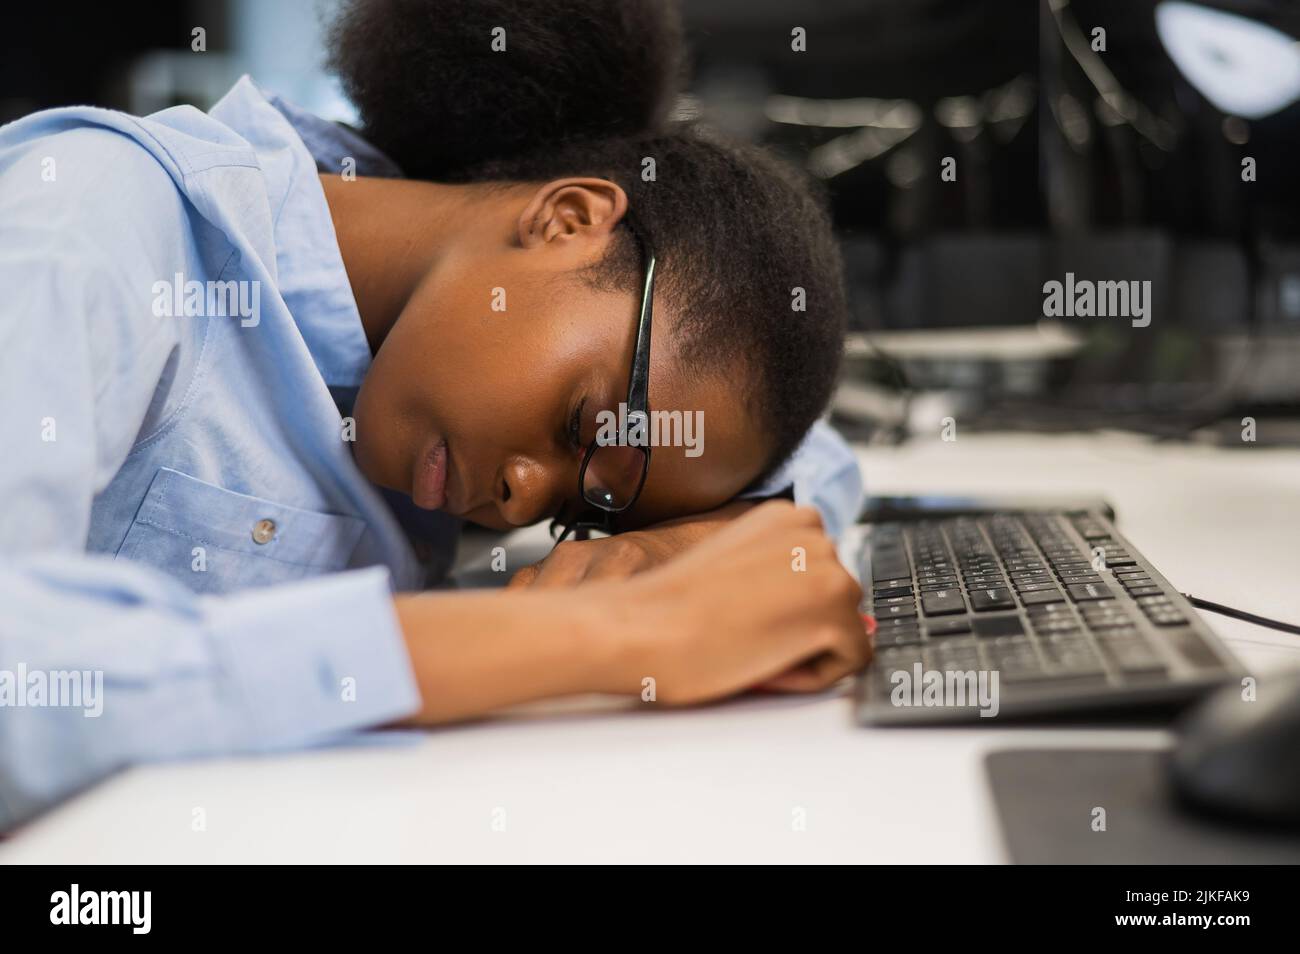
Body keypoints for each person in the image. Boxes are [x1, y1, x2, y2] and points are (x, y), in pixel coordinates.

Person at [0, 0, 868, 831]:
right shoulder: (93, 223)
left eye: (580, 510)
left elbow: (817, 459)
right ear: (567, 219)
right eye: (578, 427)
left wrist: (665, 546)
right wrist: (602, 632)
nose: (524, 499)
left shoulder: (432, 323)